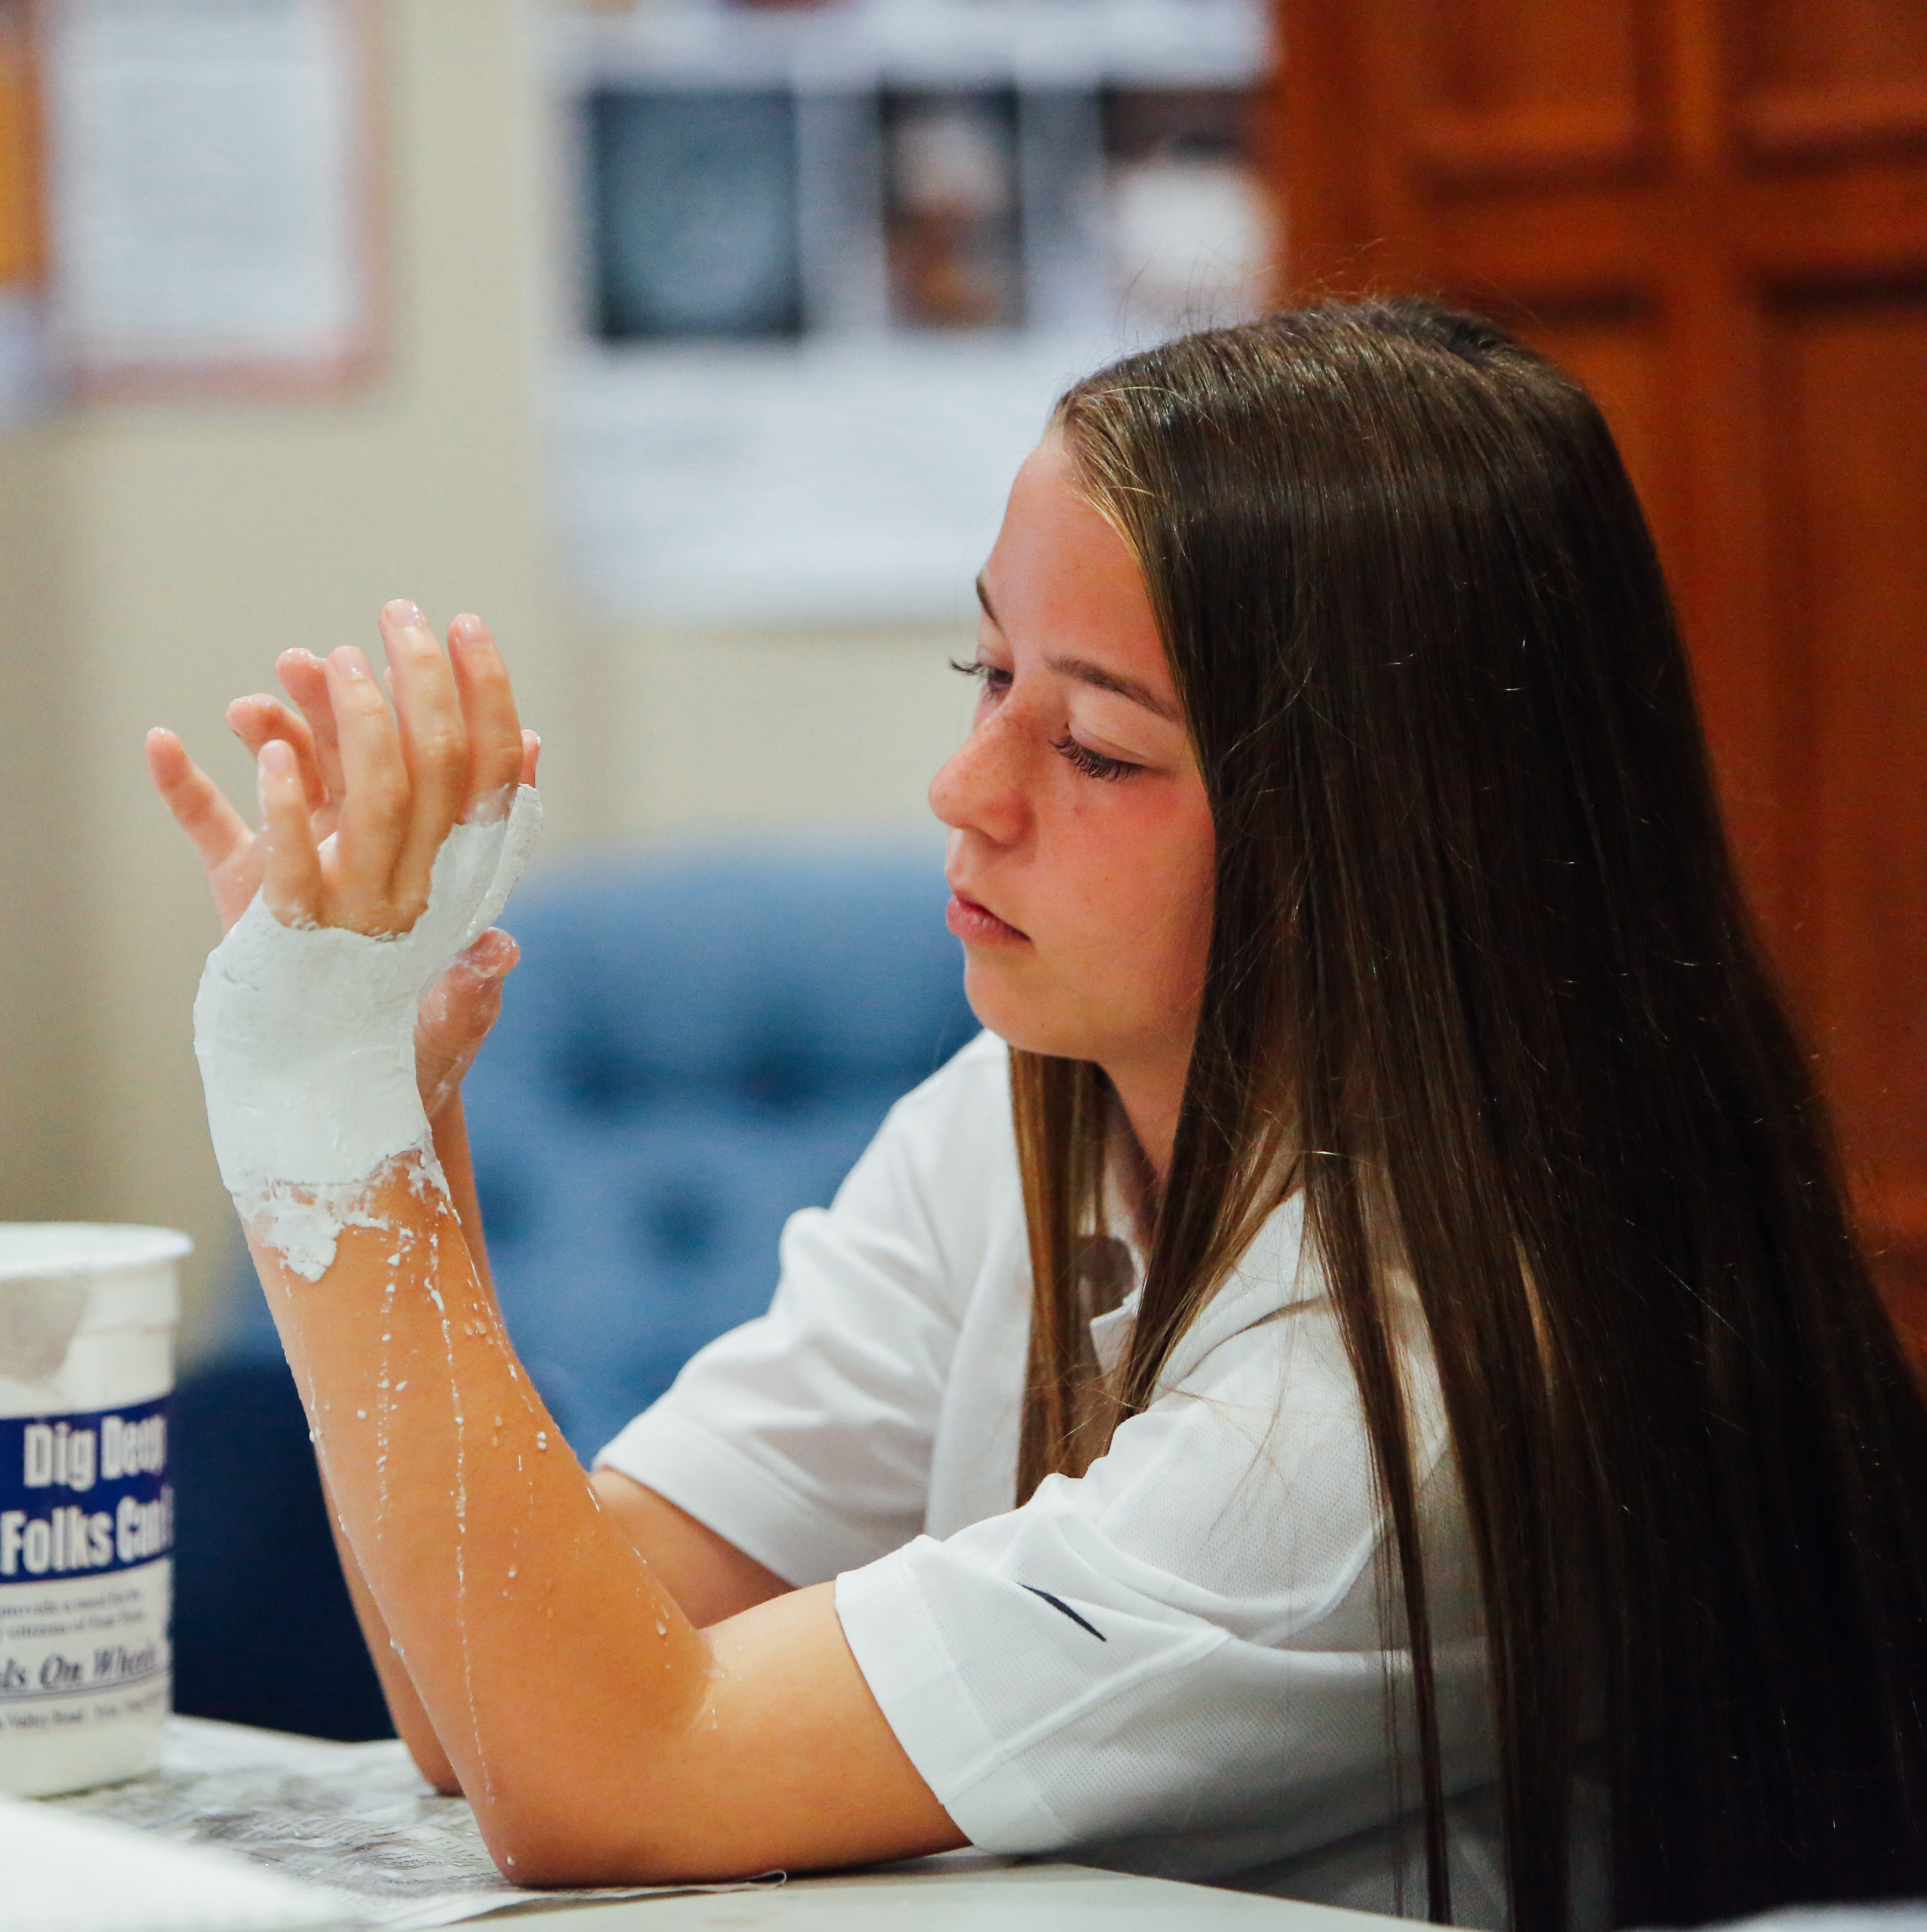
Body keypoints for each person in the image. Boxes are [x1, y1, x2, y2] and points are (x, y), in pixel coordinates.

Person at [146, 301, 1927, 1930]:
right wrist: (397, 1105)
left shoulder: (1399, 1395)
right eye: (987, 677)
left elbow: (602, 1777)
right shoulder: (1020, 1112)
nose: (966, 786)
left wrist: (318, 1121)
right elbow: (490, 1695)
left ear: (1372, 848)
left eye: (1097, 750)